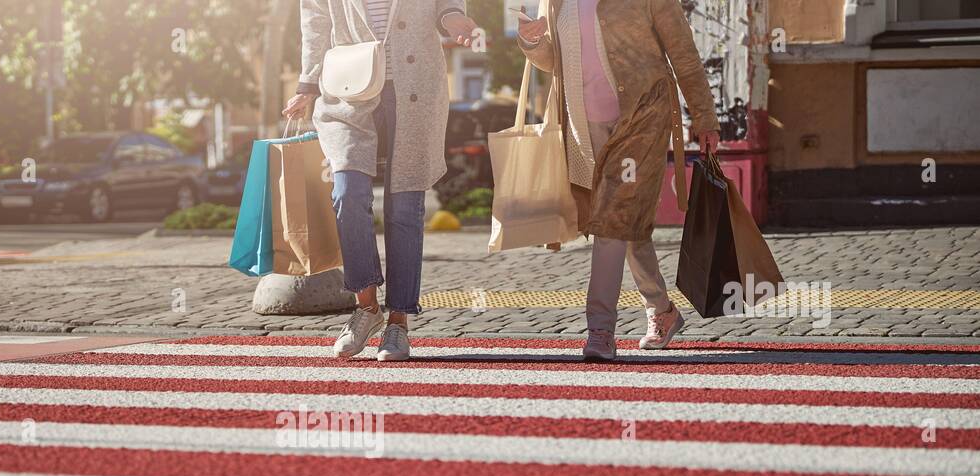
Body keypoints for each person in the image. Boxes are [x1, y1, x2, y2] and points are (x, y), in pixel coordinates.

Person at [518, 0, 720, 361]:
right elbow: (556, 64)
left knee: (611, 221)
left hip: (641, 117)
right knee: (623, 218)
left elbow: (683, 52)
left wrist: (705, 118)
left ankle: (600, 330)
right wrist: (532, 43)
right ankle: (662, 310)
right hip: (585, 126)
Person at [285, 1, 480, 361]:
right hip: (348, 90)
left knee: (405, 207)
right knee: (347, 192)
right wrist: (307, 84)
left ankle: (398, 323)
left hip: (415, 85)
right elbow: (315, 21)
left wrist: (454, 18)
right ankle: (367, 307)